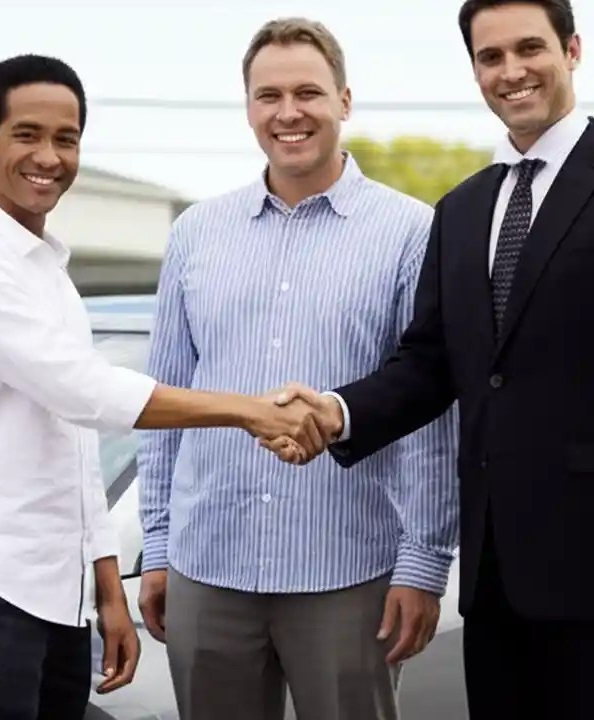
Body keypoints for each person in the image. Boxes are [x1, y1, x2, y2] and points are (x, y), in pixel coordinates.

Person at [268, 1, 594, 718]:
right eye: (490, 57)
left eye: (529, 48)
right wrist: (337, 410)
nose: (511, 72)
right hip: (495, 587)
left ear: (571, 49)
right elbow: (430, 364)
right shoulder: (461, 208)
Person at [0, 54, 328, 720]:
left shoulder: (47, 273)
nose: (49, 156)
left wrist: (106, 591)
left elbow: (70, 443)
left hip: (56, 597)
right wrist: (248, 411)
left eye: (66, 139)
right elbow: (85, 394)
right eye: (26, 134)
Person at [135, 18, 459, 720]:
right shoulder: (196, 233)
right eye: (268, 95)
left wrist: (424, 563)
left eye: (308, 92)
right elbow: (161, 406)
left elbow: (431, 408)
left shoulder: (410, 232)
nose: (288, 113)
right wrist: (157, 546)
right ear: (248, 107)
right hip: (207, 565)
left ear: (344, 100)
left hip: (348, 573)